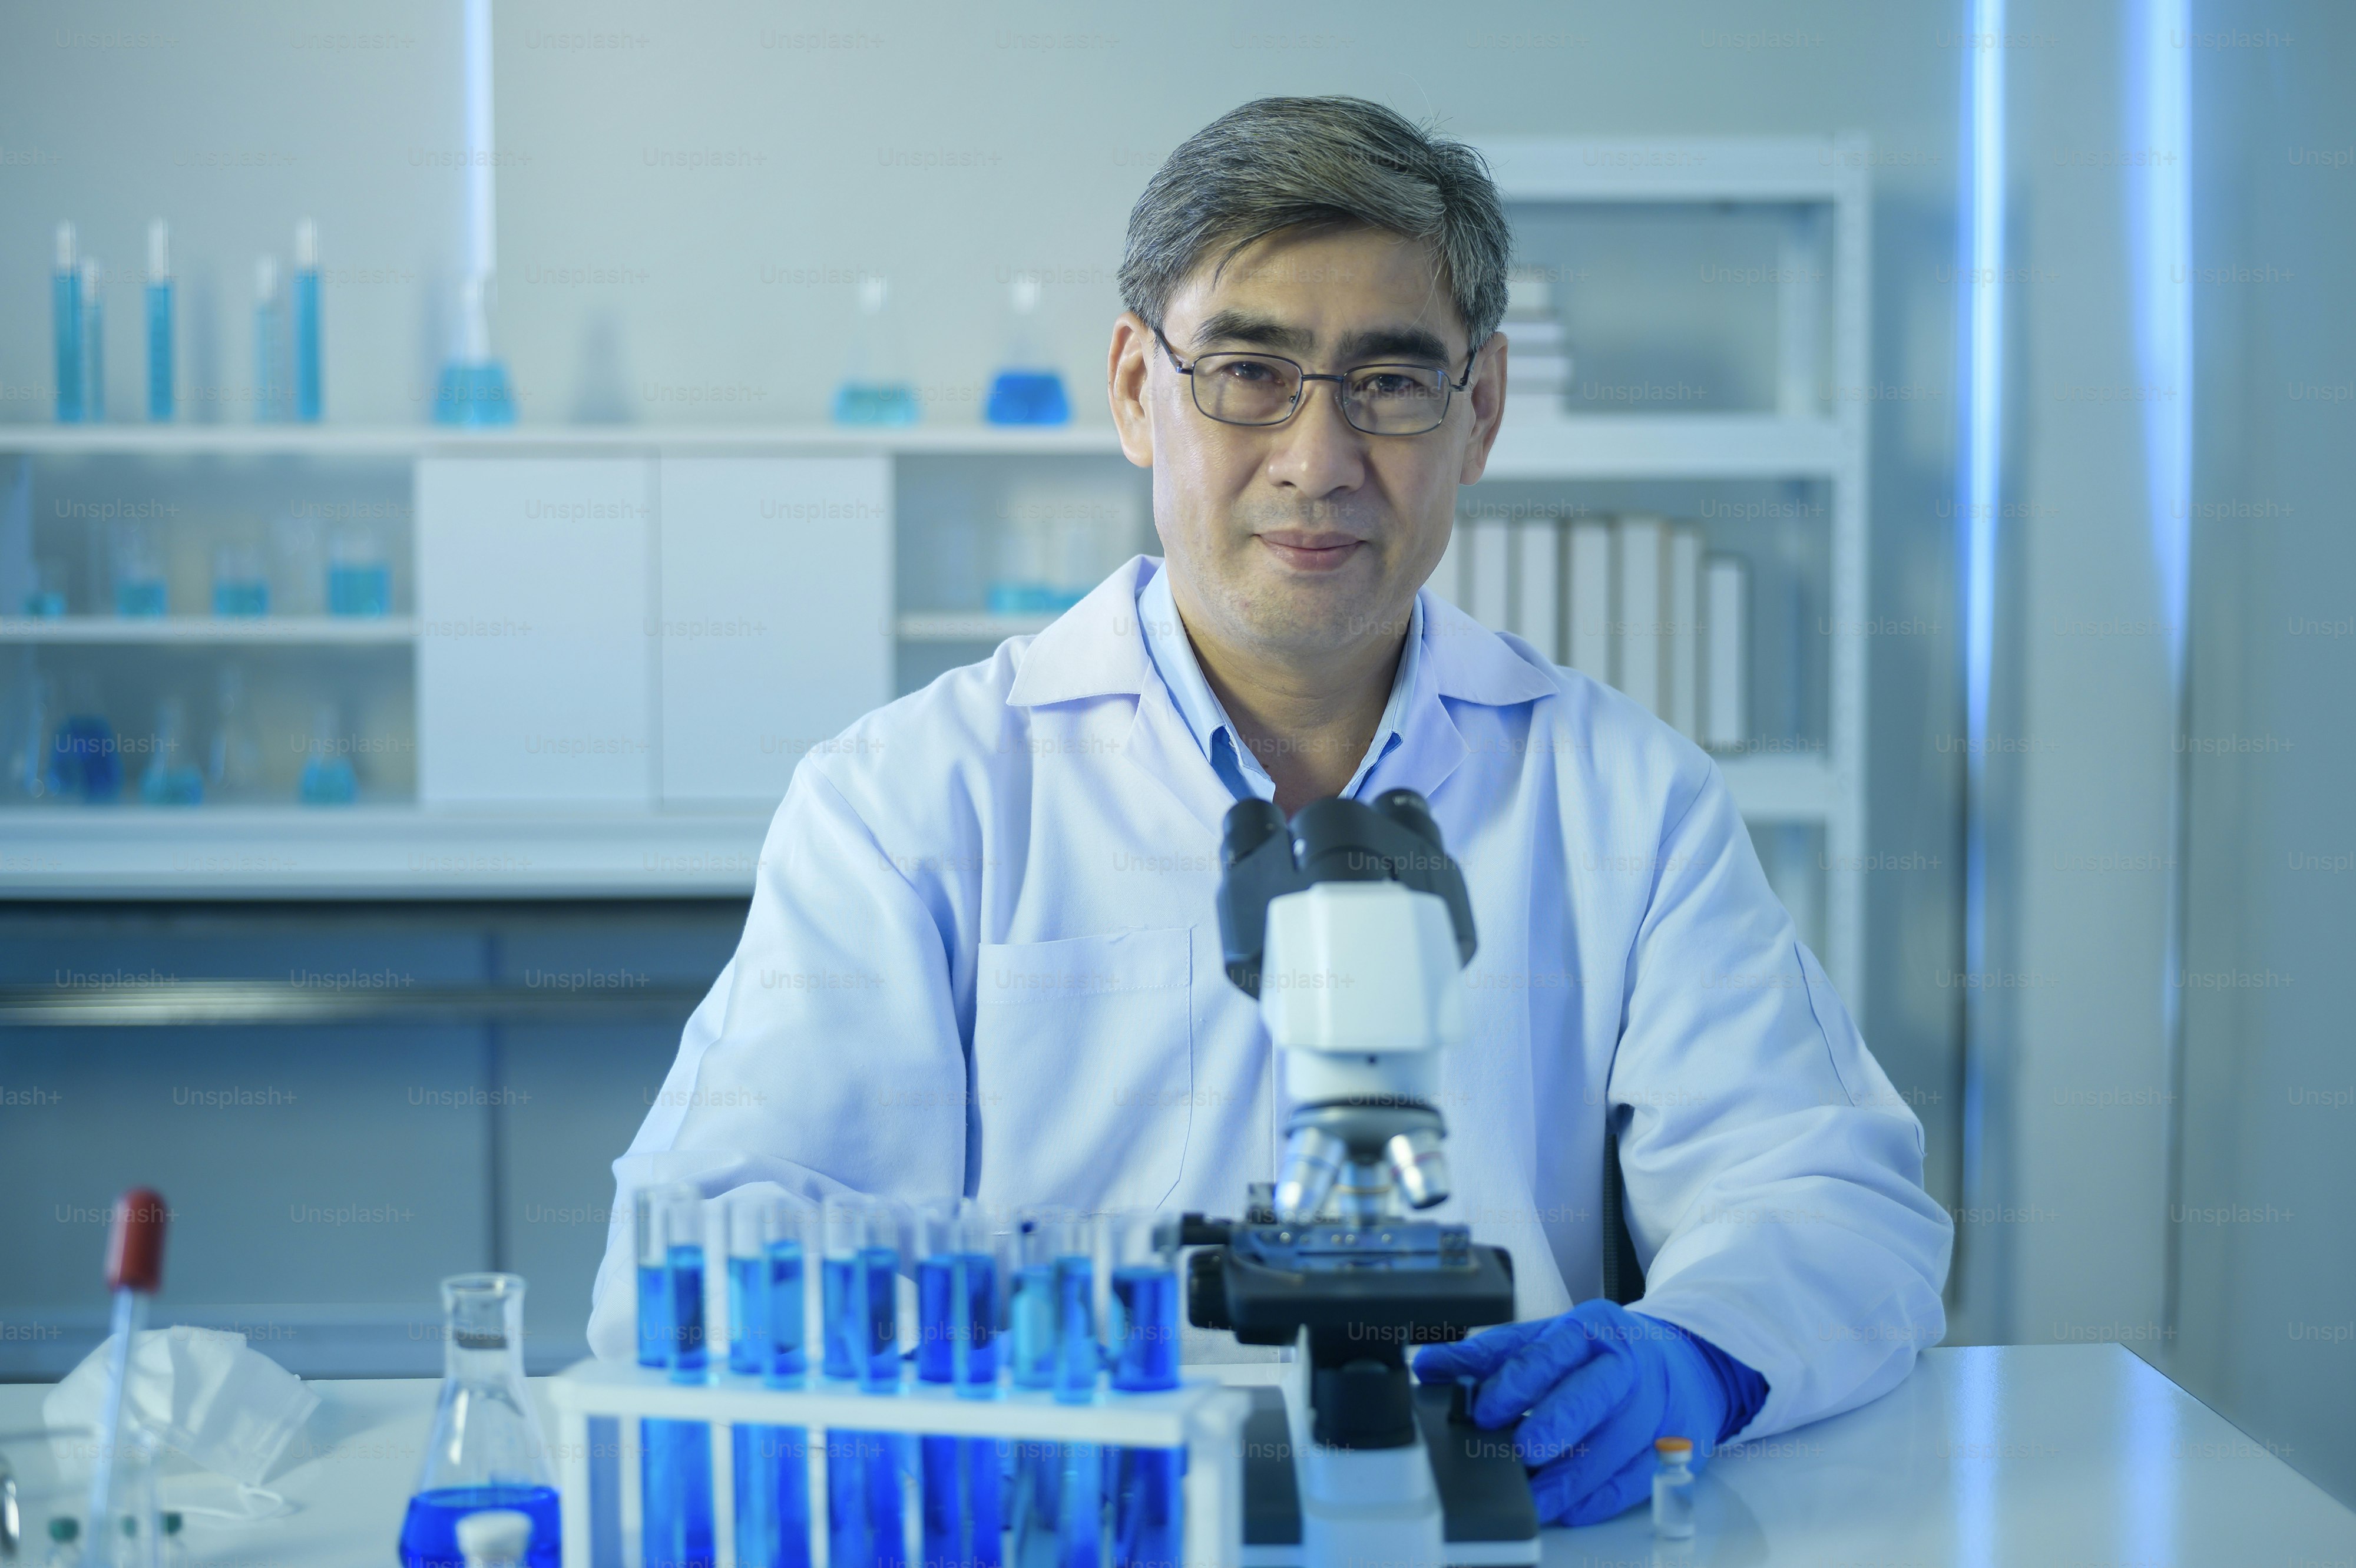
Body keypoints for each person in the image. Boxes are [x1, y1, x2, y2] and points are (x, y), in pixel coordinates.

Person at [589, 95, 1951, 1525]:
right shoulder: (910, 799)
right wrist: (1051, 1338)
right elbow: (705, 1245)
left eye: (1390, 382)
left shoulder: (1625, 796)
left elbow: (1828, 1195)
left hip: (1497, 1517)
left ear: (1475, 412)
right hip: (1064, 1519)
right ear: (1134, 389)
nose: (1317, 458)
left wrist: (1691, 1357)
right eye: (1247, 371)